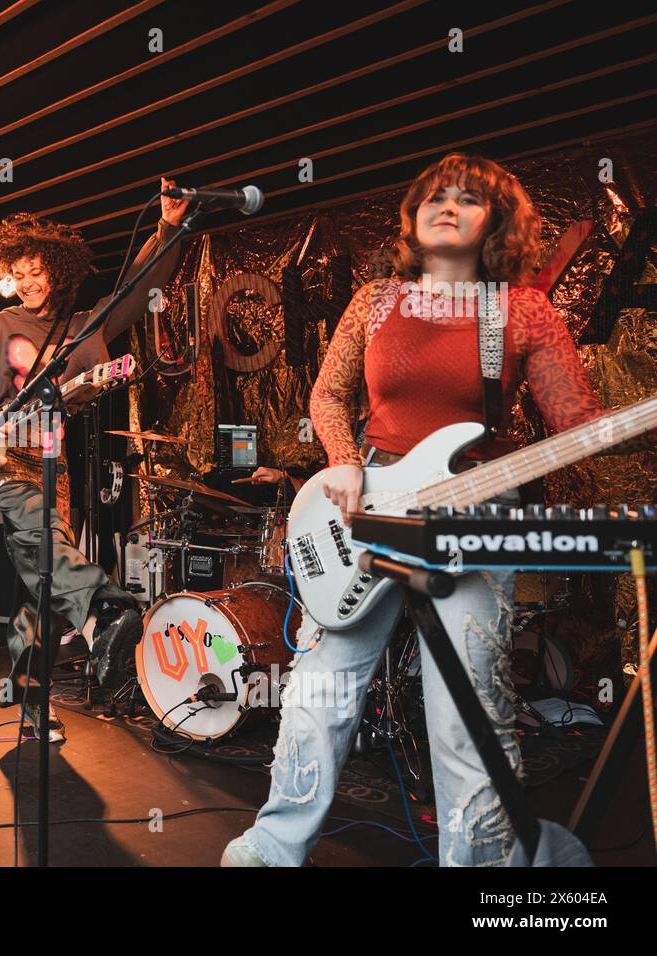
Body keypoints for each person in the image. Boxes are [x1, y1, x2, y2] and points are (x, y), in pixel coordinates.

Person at [222, 152, 650, 866]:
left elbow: (578, 421)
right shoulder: (376, 302)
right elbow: (329, 396)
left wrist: (631, 422)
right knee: (320, 689)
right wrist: (342, 461)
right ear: (413, 219)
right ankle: (273, 844)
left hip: (474, 509)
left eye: (468, 199)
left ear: (495, 224)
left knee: (469, 711)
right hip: (373, 499)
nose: (448, 205)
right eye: (434, 197)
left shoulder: (522, 310)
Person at [0, 178, 189, 742]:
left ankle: (29, 695)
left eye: (38, 269)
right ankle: (105, 611)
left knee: (40, 587)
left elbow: (138, 288)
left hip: (56, 466)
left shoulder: (83, 325)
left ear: (57, 270)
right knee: (44, 547)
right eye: (19, 270)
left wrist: (169, 227)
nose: (28, 280)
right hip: (7, 463)